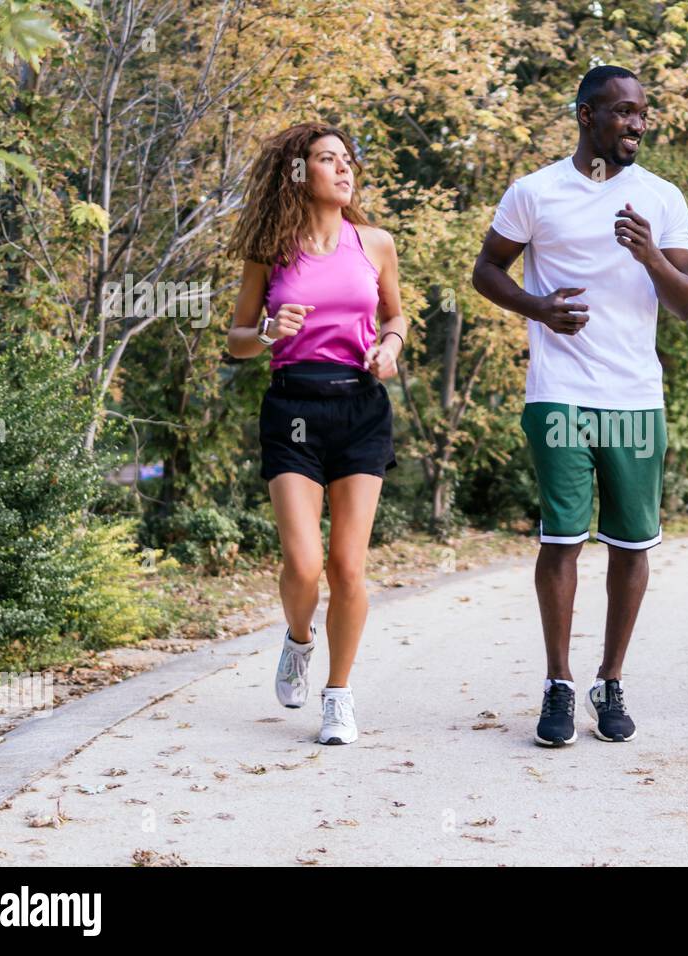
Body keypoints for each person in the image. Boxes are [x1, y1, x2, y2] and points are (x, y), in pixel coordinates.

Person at [471, 65, 688, 746]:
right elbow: (485, 269)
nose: (636, 124)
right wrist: (538, 307)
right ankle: (559, 684)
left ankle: (611, 679)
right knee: (562, 538)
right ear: (586, 115)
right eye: (623, 112)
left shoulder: (661, 198)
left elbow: (687, 303)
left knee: (631, 544)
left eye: (642, 114)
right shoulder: (536, 192)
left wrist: (651, 256)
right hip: (560, 394)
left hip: (635, 398)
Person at [225, 121, 407, 745]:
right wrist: (271, 330)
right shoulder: (270, 251)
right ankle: (298, 642)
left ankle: (339, 696)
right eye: (328, 159)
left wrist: (392, 345)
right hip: (293, 410)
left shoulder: (374, 242)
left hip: (359, 408)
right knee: (303, 565)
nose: (343, 168)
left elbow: (395, 314)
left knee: (347, 566)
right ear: (298, 173)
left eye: (347, 159)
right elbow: (236, 341)